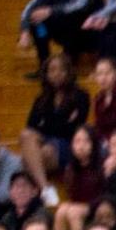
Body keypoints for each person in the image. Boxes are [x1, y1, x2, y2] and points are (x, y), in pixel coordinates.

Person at [18, 53, 88, 192]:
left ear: (68, 72)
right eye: (52, 70)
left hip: (68, 144)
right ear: (47, 74)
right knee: (26, 135)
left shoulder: (81, 96)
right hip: (46, 142)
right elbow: (31, 126)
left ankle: (37, 189)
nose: (57, 74)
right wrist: (62, 122)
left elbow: (74, 129)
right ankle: (45, 187)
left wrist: (45, 125)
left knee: (29, 159)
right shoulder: (42, 99)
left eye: (61, 69)